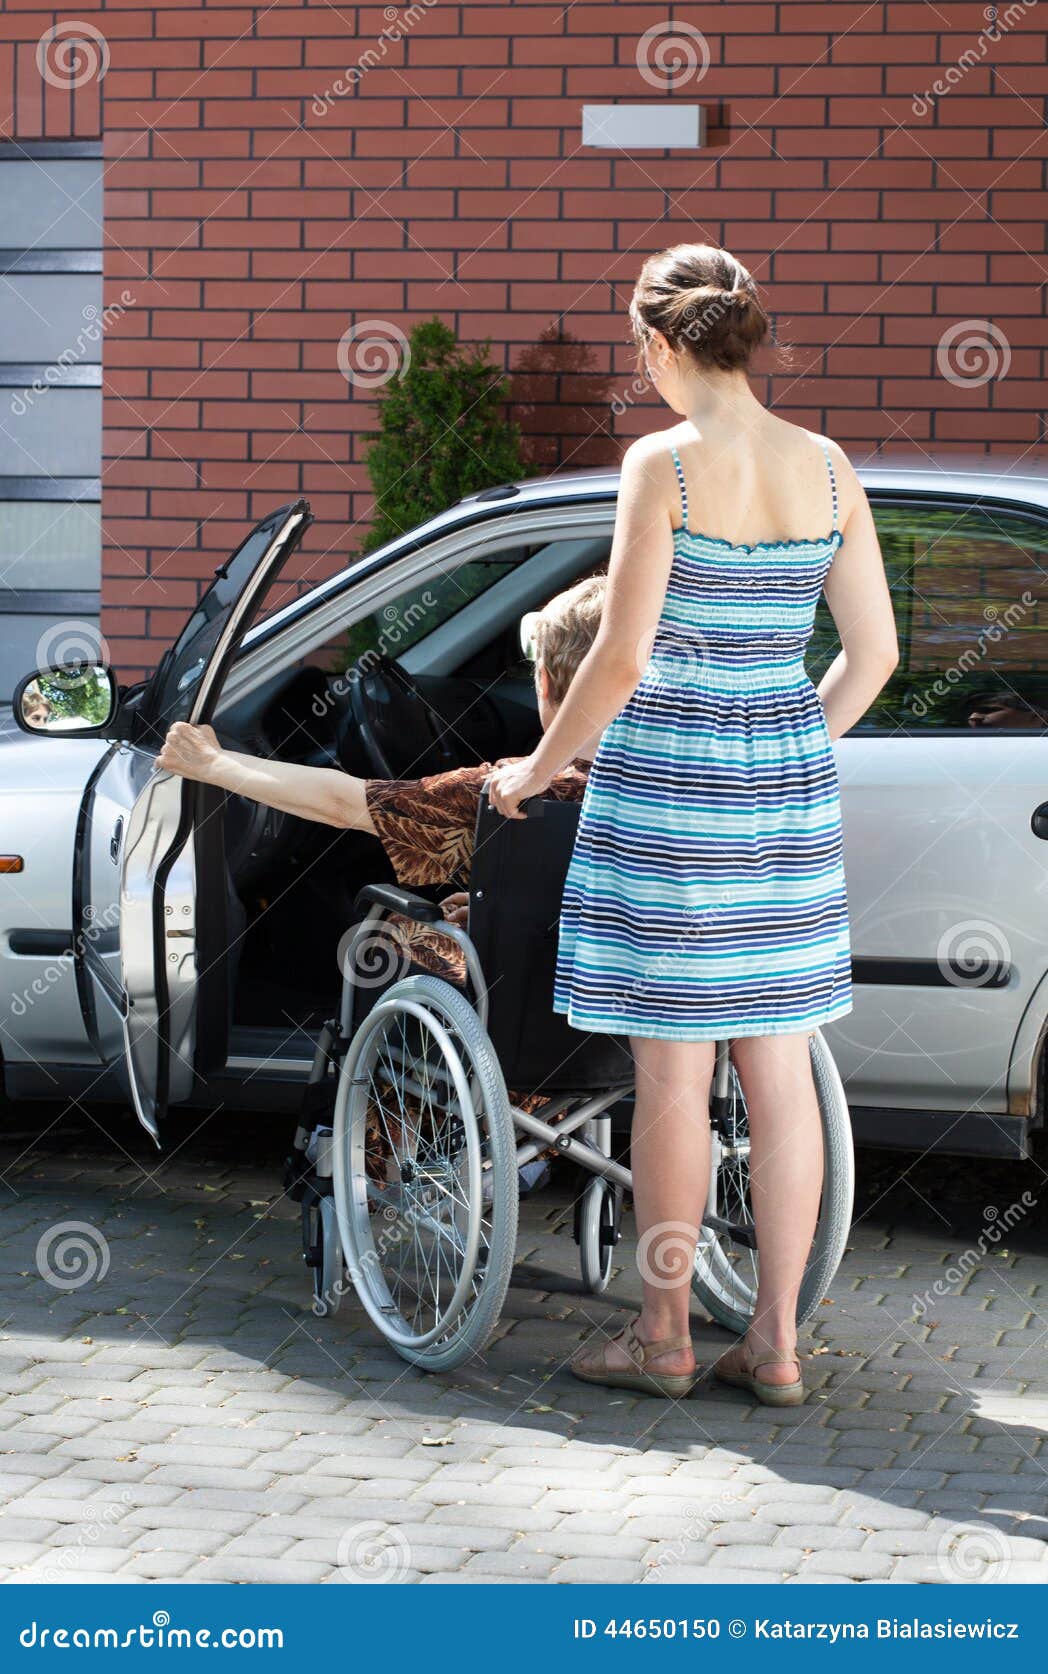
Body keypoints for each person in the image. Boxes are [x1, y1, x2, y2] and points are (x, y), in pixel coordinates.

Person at [489, 243, 898, 1404]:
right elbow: (873, 656)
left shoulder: (659, 465)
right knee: (777, 1064)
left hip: (667, 776)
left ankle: (661, 1334)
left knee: (671, 1072)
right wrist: (789, 739)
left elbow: (617, 656)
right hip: (784, 783)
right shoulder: (827, 470)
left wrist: (534, 768)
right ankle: (774, 1344)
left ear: (660, 344)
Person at [156, 574, 607, 979]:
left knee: (389, 936)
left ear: (544, 681)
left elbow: (341, 803)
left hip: (515, 996)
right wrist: (498, 906)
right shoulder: (660, 787)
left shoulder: (512, 790)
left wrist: (211, 764)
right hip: (606, 995)